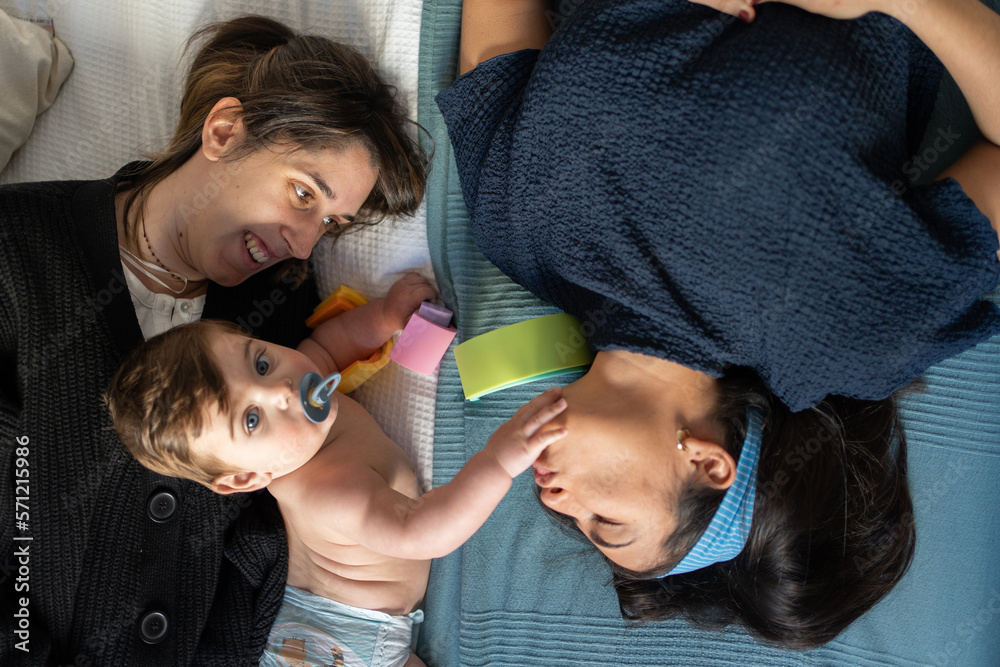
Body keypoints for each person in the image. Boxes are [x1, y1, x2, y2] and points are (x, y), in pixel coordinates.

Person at [436, 0, 1000, 648]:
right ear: (708, 464)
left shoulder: (515, 231)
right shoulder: (840, 335)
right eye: (605, 521)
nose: (557, 503)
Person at [0, 15, 426, 665]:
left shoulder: (278, 310)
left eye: (331, 223)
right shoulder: (18, 250)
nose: (306, 243)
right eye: (303, 192)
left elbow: (266, 532)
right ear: (225, 131)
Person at [105, 275, 569, 667]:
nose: (282, 390)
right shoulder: (329, 489)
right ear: (248, 478)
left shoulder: (300, 411)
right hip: (340, 647)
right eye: (251, 419)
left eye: (262, 362)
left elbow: (327, 348)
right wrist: (499, 459)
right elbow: (423, 530)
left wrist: (387, 315)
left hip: (327, 632)